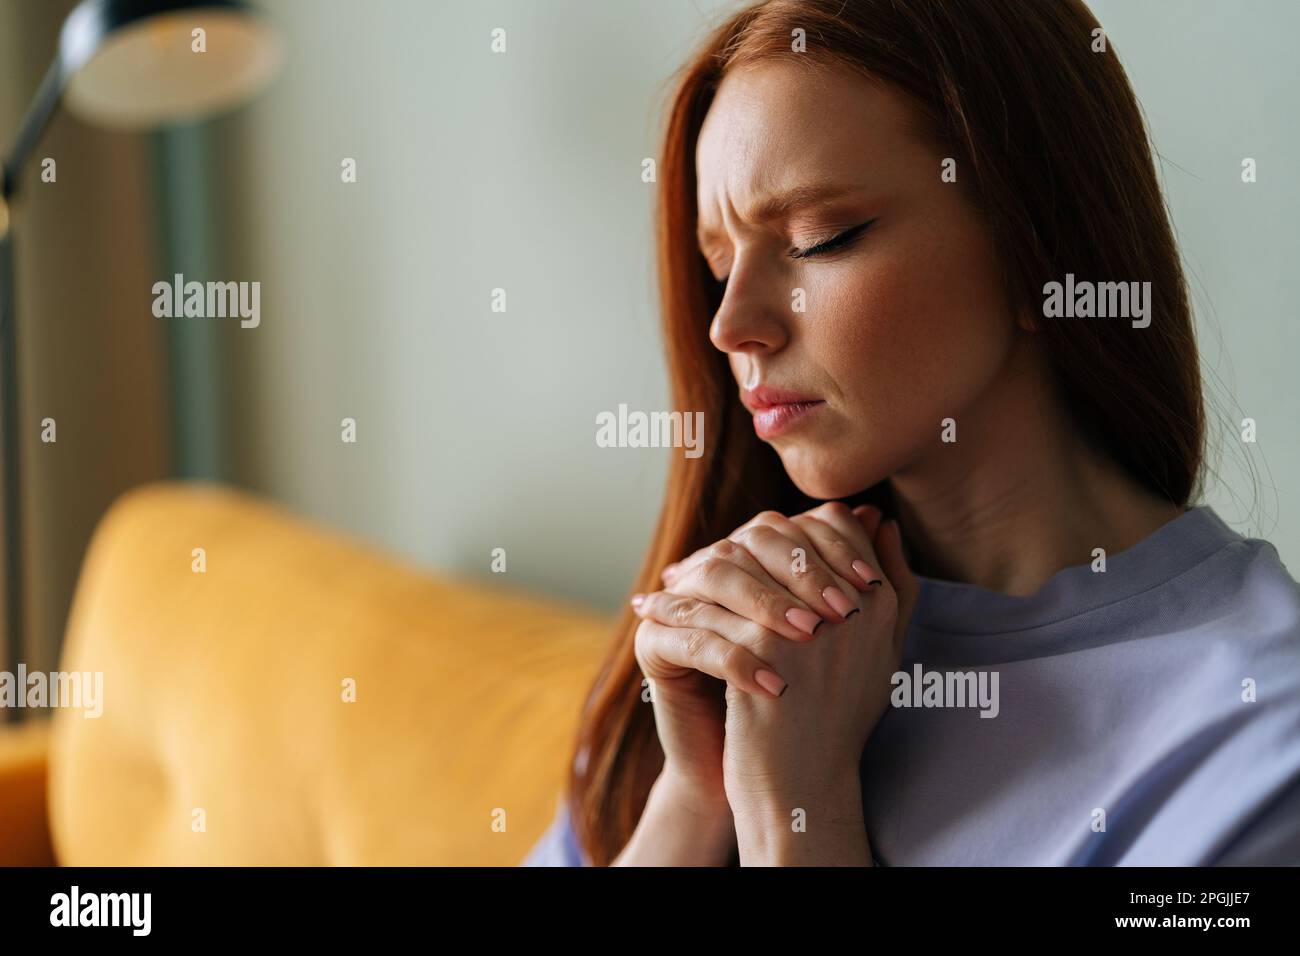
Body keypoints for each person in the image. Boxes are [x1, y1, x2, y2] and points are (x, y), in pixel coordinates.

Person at [524, 0, 1300, 866]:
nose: (730, 324)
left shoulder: (1263, 744)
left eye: (820, 239)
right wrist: (693, 796)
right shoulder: (713, 646)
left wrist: (796, 812)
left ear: (1040, 247)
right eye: (719, 264)